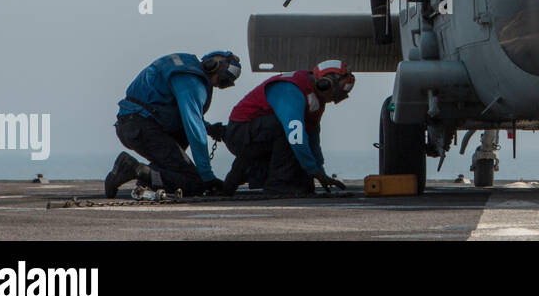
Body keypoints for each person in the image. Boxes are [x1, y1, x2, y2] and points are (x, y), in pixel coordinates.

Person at [104, 51, 241, 198]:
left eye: (224, 84)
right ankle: (133, 169)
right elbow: (194, 128)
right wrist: (207, 177)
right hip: (143, 128)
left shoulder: (184, 64)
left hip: (133, 124)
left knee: (175, 170)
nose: (216, 84)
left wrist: (208, 128)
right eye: (221, 79)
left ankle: (148, 176)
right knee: (194, 183)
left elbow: (173, 110)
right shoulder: (192, 82)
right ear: (212, 65)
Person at [222, 59, 355, 195]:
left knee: (305, 185)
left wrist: (319, 171)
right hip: (241, 133)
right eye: (334, 95)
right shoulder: (291, 89)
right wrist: (312, 169)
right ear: (325, 84)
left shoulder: (315, 99)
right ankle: (278, 185)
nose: (333, 100)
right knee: (289, 131)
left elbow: (312, 135)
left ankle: (243, 177)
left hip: (263, 134)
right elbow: (295, 134)